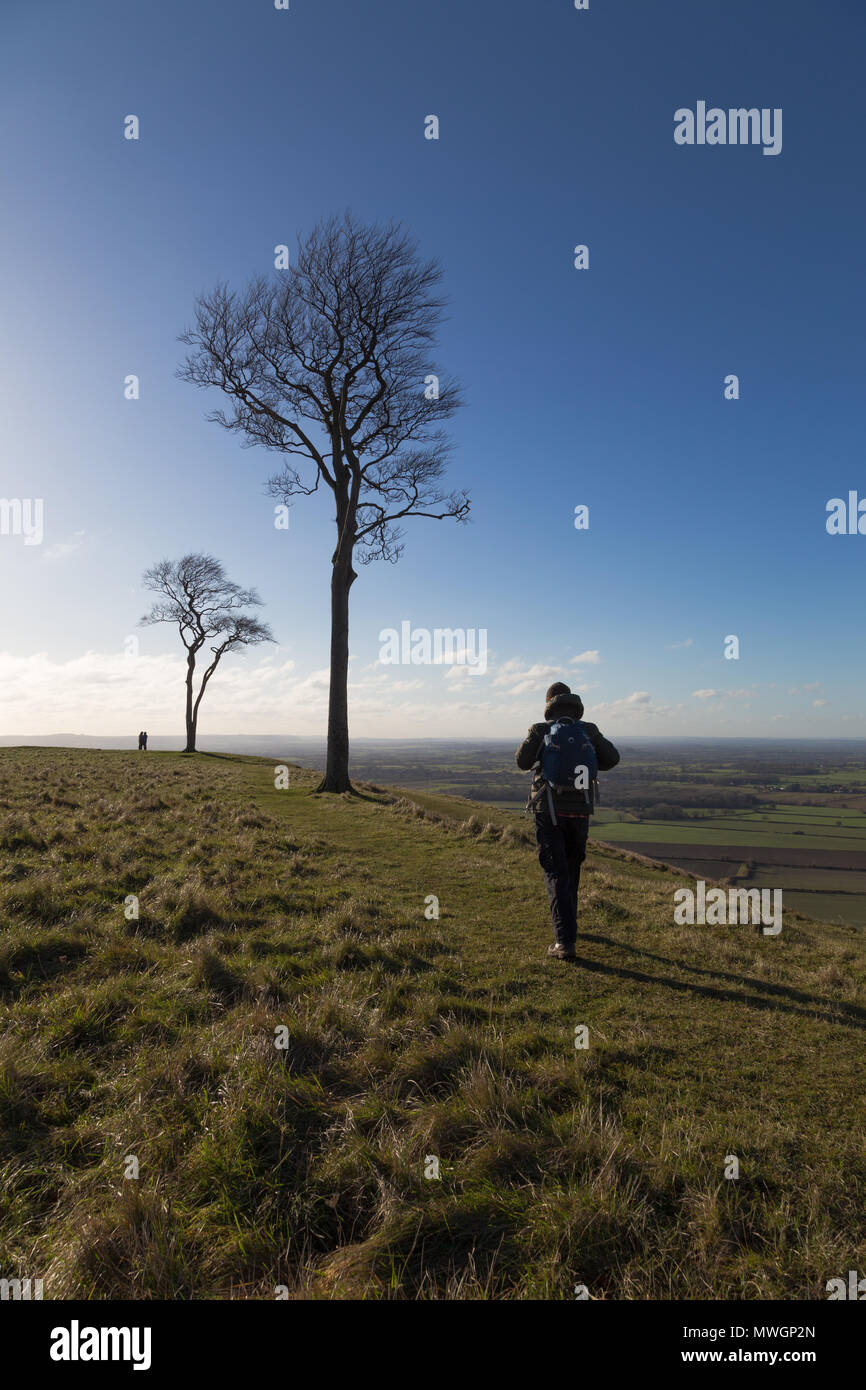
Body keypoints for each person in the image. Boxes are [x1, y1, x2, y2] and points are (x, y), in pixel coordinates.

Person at [515, 682, 620, 961]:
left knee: (555, 871)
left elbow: (522, 761)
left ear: (549, 703)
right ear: (574, 704)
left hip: (548, 810)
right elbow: (612, 758)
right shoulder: (588, 730)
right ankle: (568, 927)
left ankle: (564, 941)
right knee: (572, 868)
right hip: (581, 810)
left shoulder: (541, 730)